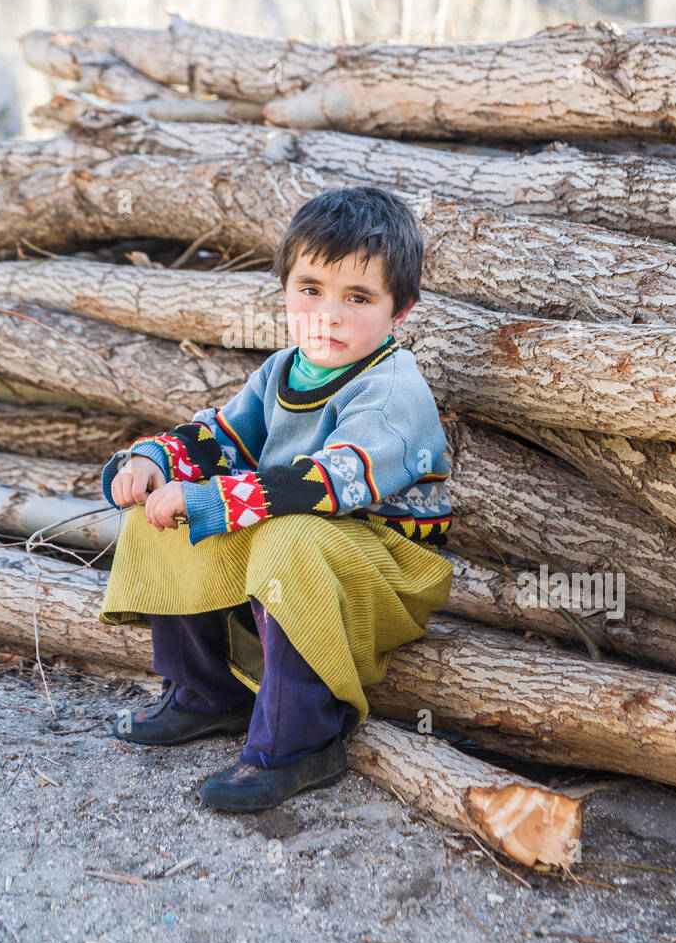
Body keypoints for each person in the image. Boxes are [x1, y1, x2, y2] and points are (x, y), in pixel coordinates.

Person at [98, 185, 454, 813]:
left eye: (359, 297)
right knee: (166, 516)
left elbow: (324, 484)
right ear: (286, 288)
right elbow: (220, 436)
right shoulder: (284, 369)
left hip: (387, 569)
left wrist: (208, 499)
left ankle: (302, 742)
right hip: (305, 539)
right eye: (311, 289)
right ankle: (209, 694)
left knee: (279, 533)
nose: (330, 314)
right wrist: (152, 461)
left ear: (401, 311)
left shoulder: (393, 391)